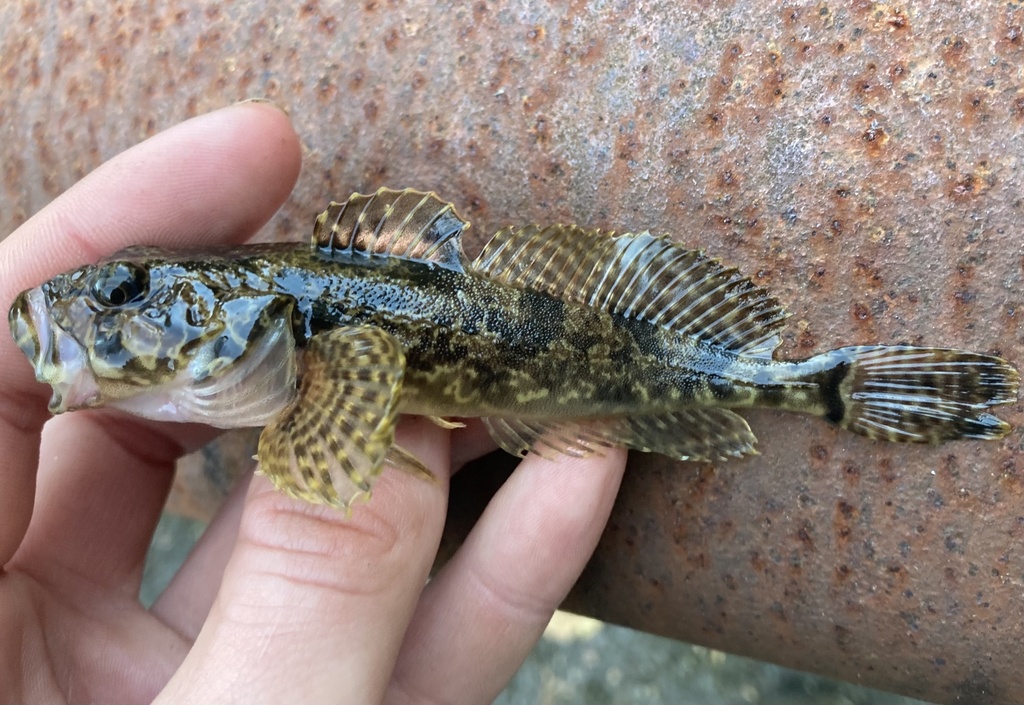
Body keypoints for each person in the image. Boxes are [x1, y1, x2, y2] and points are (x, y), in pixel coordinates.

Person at [0, 102, 627, 704]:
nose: (73, 318)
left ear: (239, 310)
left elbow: (356, 375)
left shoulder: (303, 335)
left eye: (125, 289)